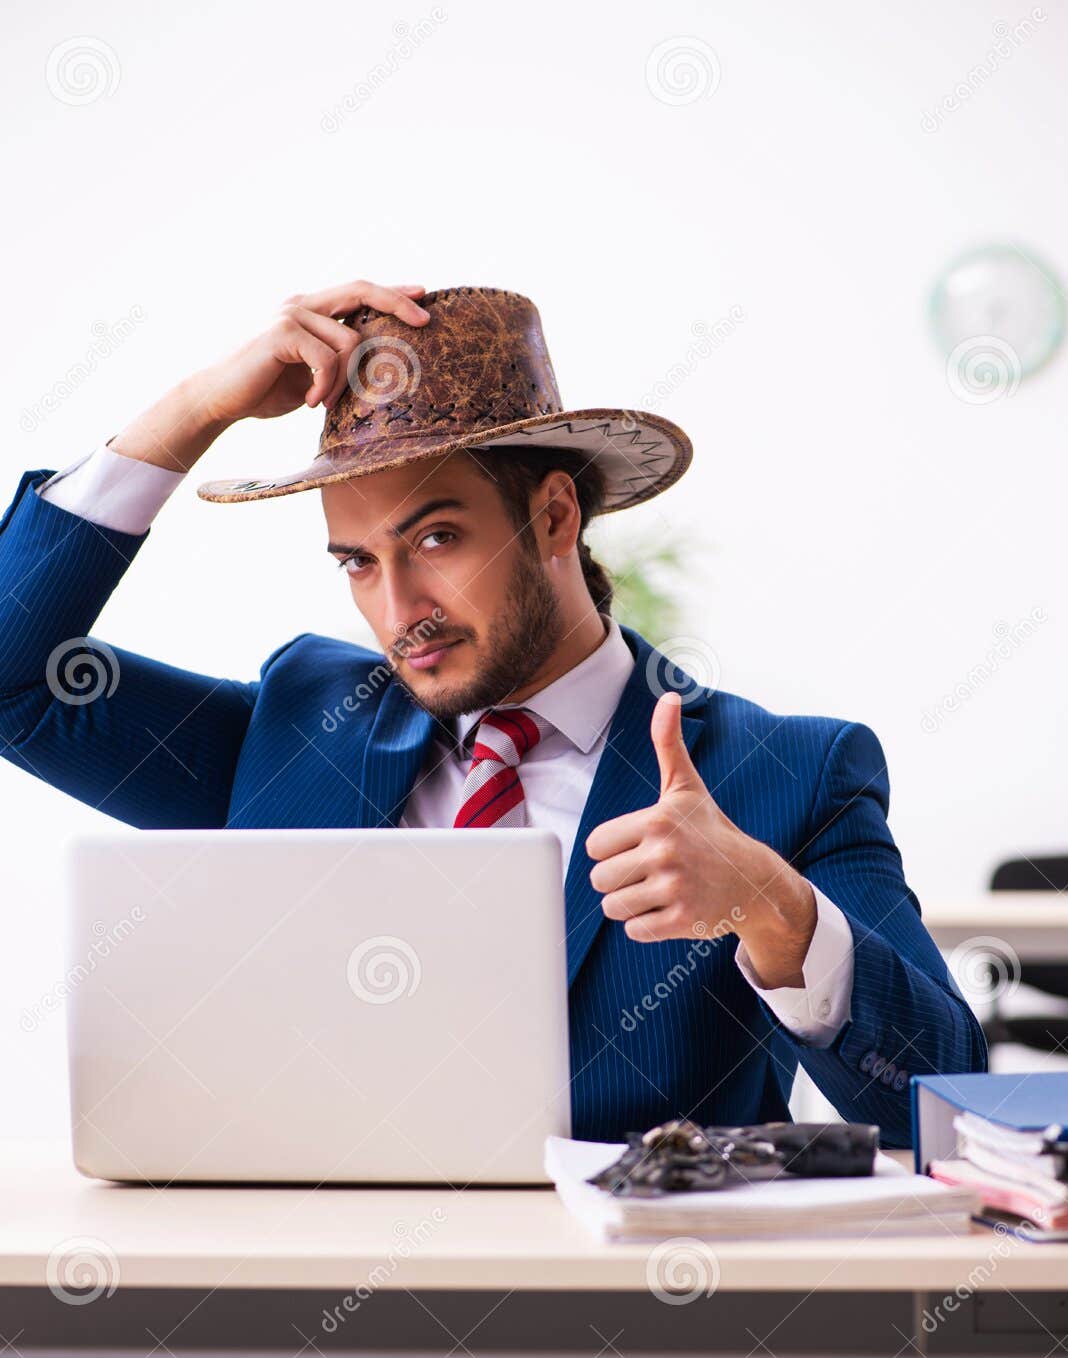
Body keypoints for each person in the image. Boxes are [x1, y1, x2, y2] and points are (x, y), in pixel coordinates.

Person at [0, 277, 985, 1146]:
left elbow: (955, 1106)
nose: (399, 612)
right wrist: (190, 412)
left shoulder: (786, 776)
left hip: (633, 1329)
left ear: (555, 515)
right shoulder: (300, 729)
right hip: (301, 1308)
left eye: (435, 538)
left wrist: (774, 910)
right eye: (358, 562)